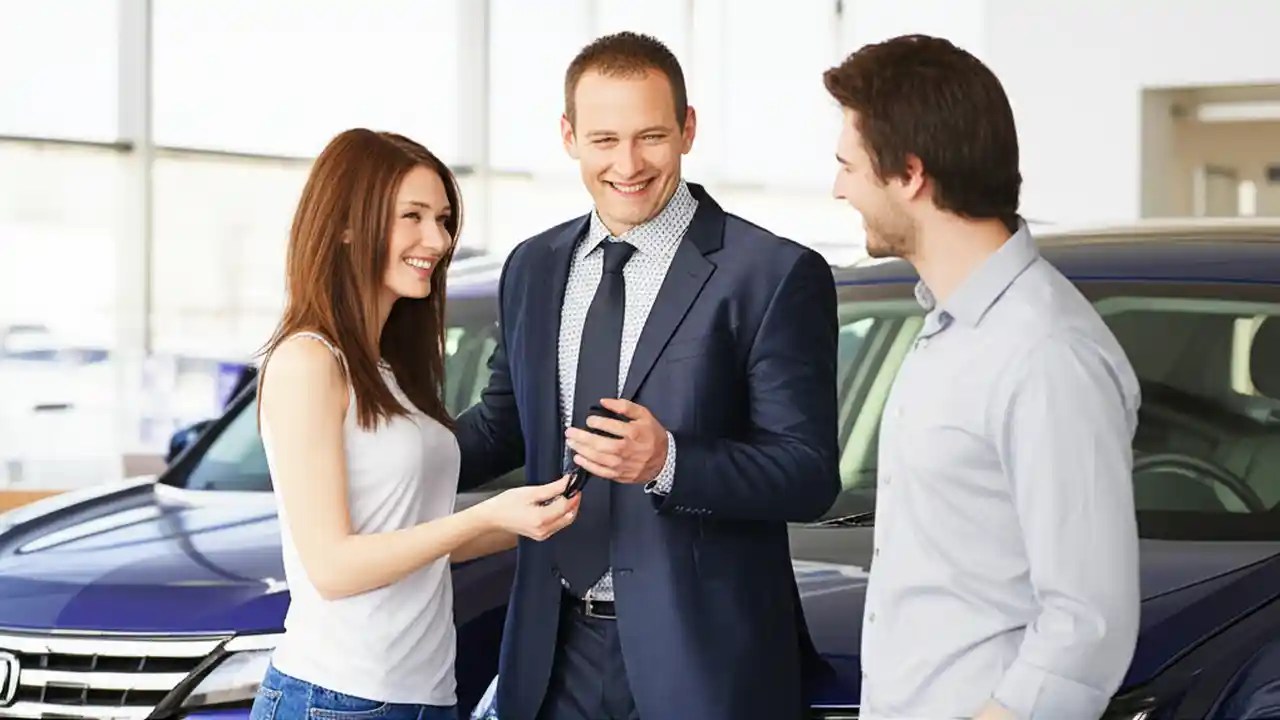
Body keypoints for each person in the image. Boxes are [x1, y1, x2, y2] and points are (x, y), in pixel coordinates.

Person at [454, 31, 841, 720]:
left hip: (706, 664)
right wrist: (374, 441)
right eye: (604, 140)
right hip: (550, 653)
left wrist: (669, 460)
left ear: (688, 130)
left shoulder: (772, 274)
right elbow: (504, 426)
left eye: (651, 136)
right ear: (568, 136)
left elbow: (808, 474)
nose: (628, 164)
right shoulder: (532, 268)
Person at [823, 34, 1142, 720]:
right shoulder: (948, 331)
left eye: (848, 165)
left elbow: (1088, 622)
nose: (839, 187)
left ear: (909, 174)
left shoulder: (1046, 353)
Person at [250, 129, 580, 720]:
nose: (440, 239)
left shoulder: (391, 371)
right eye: (414, 217)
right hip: (337, 698)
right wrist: (482, 516)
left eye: (444, 219)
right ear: (347, 224)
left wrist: (539, 513)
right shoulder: (308, 361)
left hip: (423, 697)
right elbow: (333, 566)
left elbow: (417, 537)